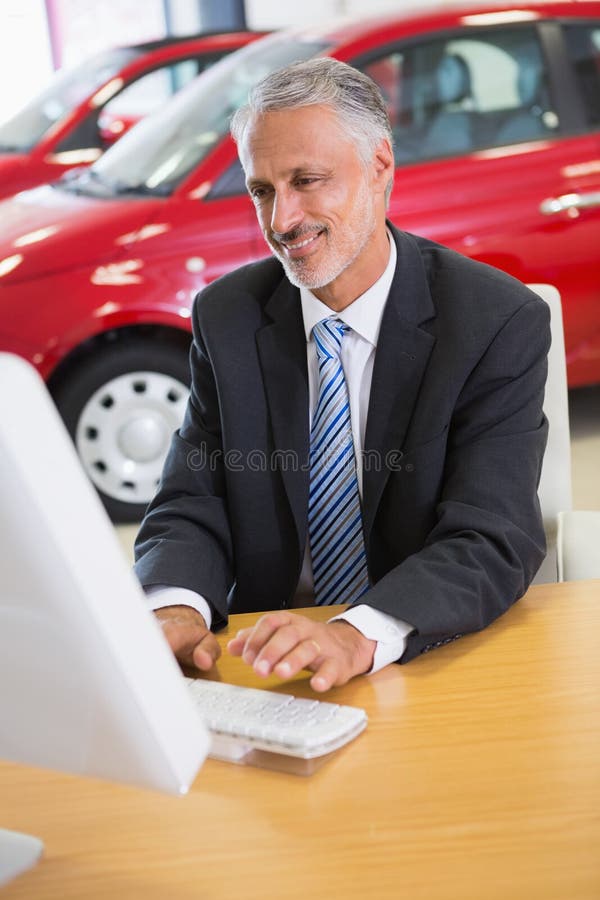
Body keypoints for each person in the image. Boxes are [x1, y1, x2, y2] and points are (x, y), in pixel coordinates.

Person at [134, 58, 550, 692]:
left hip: (419, 656)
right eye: (263, 191)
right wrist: (175, 609)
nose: (281, 221)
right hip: (264, 658)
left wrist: (356, 634)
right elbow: (194, 499)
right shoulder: (227, 317)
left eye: (307, 180)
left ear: (381, 166)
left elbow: (492, 537)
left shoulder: (496, 320)